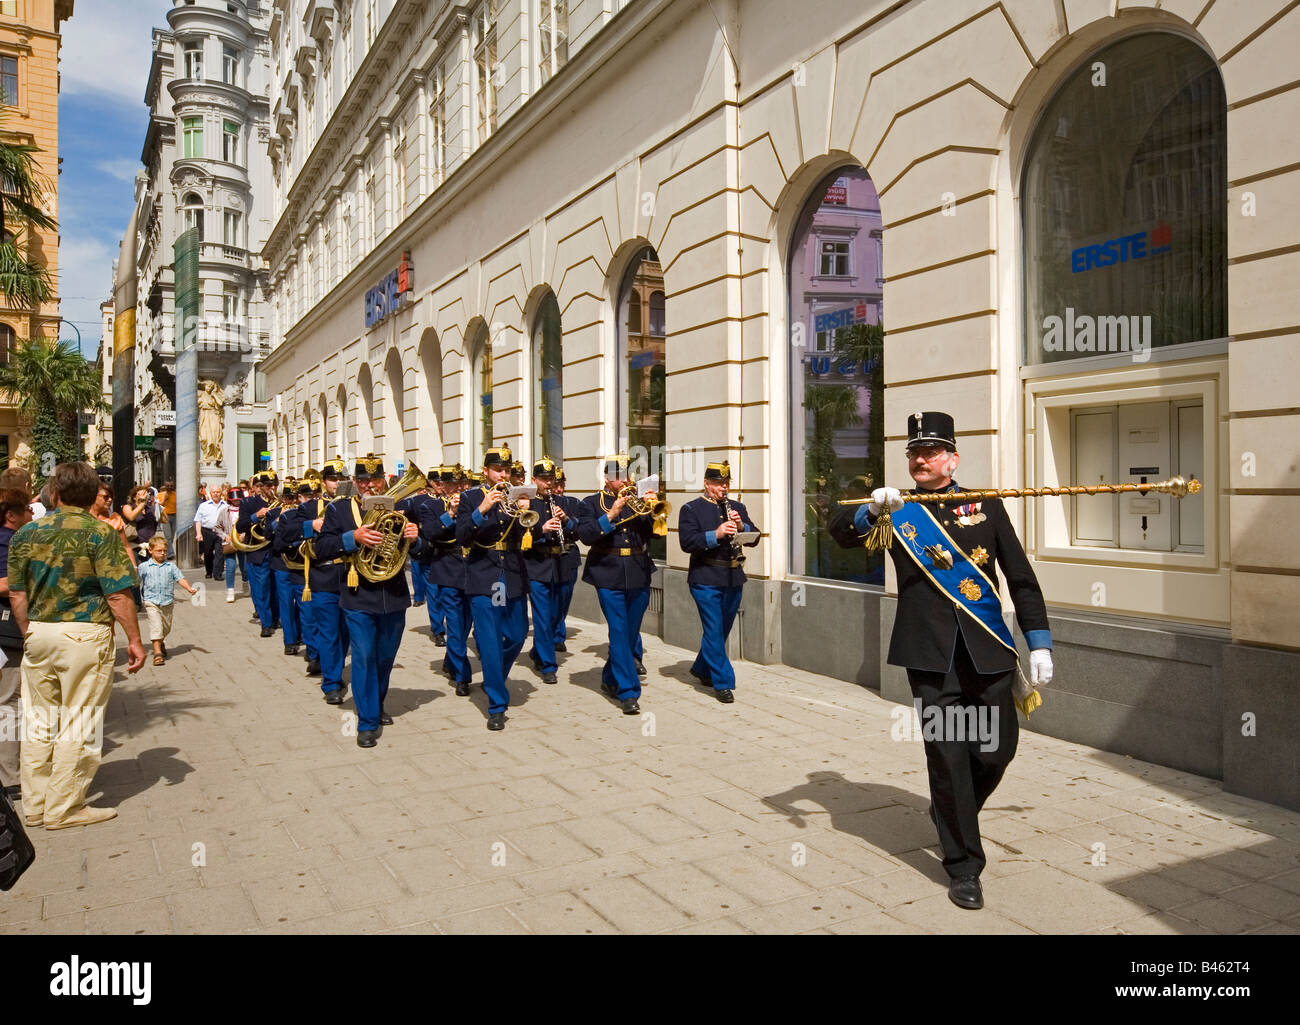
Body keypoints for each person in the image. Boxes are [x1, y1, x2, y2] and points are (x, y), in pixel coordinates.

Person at [853, 411, 1053, 911]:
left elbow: (1022, 579)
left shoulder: (984, 505)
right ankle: (964, 865)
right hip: (930, 655)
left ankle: (951, 812)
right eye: (914, 452)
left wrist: (1040, 640)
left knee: (996, 750)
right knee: (946, 757)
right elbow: (840, 532)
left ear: (952, 458)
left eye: (932, 451)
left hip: (988, 649)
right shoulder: (896, 511)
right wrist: (871, 512)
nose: (921, 459)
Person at [7, 461, 145, 829]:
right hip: (85, 633)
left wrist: (28, 631)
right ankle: (65, 806)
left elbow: (17, 592)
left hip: (39, 632)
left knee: (39, 720)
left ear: (55, 492)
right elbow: (118, 593)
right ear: (90, 494)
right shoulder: (100, 533)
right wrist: (134, 639)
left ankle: (35, 804)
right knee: (79, 719)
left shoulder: (26, 533)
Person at [314, 455, 425, 748]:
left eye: (375, 480)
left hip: (395, 595)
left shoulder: (402, 508)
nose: (370, 485)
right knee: (363, 657)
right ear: (354, 482)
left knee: (385, 656)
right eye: (363, 480)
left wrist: (416, 539)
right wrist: (353, 537)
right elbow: (322, 547)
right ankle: (366, 721)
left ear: (385, 480)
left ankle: (376, 703)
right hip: (357, 595)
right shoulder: (339, 509)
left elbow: (423, 551)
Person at [576, 453, 658, 715]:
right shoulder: (590, 503)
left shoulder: (638, 502)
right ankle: (629, 692)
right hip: (607, 573)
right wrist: (611, 514)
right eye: (618, 476)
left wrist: (652, 509)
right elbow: (586, 536)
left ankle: (610, 678)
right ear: (607, 478)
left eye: (626, 475)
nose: (624, 481)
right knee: (619, 631)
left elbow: (653, 534)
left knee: (630, 633)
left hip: (638, 571)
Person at [455, 446, 530, 730]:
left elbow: (529, 535)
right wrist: (482, 509)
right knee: (489, 641)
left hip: (511, 574)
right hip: (484, 576)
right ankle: (497, 704)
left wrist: (527, 512)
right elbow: (461, 535)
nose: (503, 474)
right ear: (485, 471)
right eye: (498, 470)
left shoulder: (517, 495)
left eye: (507, 470)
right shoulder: (469, 497)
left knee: (517, 635)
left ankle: (493, 674)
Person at [678, 460, 760, 703]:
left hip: (733, 576)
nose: (723, 488)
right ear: (706, 483)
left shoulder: (737, 506)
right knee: (713, 630)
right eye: (717, 483)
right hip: (705, 577)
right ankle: (723, 682)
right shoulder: (691, 509)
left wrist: (740, 525)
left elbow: (754, 537)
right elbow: (687, 542)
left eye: (726, 483)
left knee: (722, 629)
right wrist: (717, 534)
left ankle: (702, 669)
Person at [296, 457, 350, 699]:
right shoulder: (310, 506)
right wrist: (311, 525)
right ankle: (331, 683)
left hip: (351, 576)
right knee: (329, 632)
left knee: (346, 632)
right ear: (323, 481)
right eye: (332, 479)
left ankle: (334, 669)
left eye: (341, 479)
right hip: (323, 575)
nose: (337, 483)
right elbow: (282, 531)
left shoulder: (352, 505)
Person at [522, 457, 578, 686]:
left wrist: (566, 521)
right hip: (537, 564)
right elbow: (521, 538)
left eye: (551, 479)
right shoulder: (527, 504)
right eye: (543, 479)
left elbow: (579, 532)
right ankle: (548, 664)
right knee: (543, 617)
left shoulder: (565, 503)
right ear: (533, 480)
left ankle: (538, 652)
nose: (548, 484)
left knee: (557, 615)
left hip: (562, 564)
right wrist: (541, 530)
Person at [420, 465, 472, 695]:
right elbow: (431, 533)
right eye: (454, 485)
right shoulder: (429, 506)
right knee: (455, 623)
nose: (460, 489)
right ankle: (462, 675)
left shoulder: (474, 503)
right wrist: (450, 513)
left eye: (463, 484)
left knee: (467, 622)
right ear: (443, 486)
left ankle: (452, 659)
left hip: (472, 570)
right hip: (448, 568)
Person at [0, 488, 34, 802]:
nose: (32, 513)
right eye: (26, 509)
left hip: (12, 632)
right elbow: (3, 584)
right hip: (9, 632)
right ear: (11, 515)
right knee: (9, 705)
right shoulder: (6, 542)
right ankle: (11, 777)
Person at [138, 535, 198, 665]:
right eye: (159, 551)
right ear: (151, 551)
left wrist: (189, 588)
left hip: (167, 602)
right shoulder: (144, 567)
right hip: (151, 601)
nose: (162, 553)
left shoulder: (170, 567)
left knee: (166, 628)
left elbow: (180, 578)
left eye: (164, 551)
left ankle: (160, 642)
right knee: (156, 626)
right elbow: (136, 581)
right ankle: (157, 654)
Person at [238, 471, 279, 637]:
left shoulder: (281, 503)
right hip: (258, 550)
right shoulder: (248, 503)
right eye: (269, 486)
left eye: (275, 485)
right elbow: (241, 526)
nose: (273, 488)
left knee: (277, 589)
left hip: (277, 550)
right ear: (260, 488)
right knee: (261, 589)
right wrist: (257, 516)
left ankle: (276, 618)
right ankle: (266, 623)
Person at [271, 480, 304, 657]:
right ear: (282, 498)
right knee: (286, 604)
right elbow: (268, 536)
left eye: (294, 498)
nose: (291, 501)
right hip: (281, 565)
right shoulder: (275, 512)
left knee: (302, 604)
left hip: (300, 565)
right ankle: (289, 641)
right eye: (288, 497)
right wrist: (277, 522)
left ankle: (300, 634)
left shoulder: (303, 513)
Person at [551, 467, 581, 652]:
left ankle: (557, 631)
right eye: (556, 484)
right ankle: (555, 636)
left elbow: (579, 530)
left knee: (563, 598)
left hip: (568, 555)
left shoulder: (572, 503)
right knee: (550, 600)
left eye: (562, 484)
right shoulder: (539, 502)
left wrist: (566, 520)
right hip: (546, 557)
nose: (559, 489)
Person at [215, 487, 243, 602]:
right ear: (230, 500)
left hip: (242, 542)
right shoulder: (224, 511)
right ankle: (230, 590)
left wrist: (244, 535)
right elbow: (217, 526)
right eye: (234, 500)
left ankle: (245, 584)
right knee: (230, 567)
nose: (236, 501)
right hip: (230, 543)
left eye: (238, 500)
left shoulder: (245, 510)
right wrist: (224, 535)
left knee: (244, 567)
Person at [193, 485, 225, 580]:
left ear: (221, 493)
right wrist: (199, 533)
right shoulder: (203, 506)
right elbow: (198, 520)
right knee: (208, 553)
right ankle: (209, 571)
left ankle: (218, 573)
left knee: (220, 553)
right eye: (213, 492)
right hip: (207, 531)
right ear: (210, 494)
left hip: (220, 532)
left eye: (218, 492)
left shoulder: (225, 505)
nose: (216, 494)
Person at [122, 485, 159, 552]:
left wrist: (160, 507)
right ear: (134, 497)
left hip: (149, 545)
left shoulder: (151, 508)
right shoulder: (128, 507)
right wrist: (142, 503)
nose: (144, 496)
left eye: (145, 494)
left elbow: (164, 520)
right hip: (134, 546)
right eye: (140, 494)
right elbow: (131, 517)